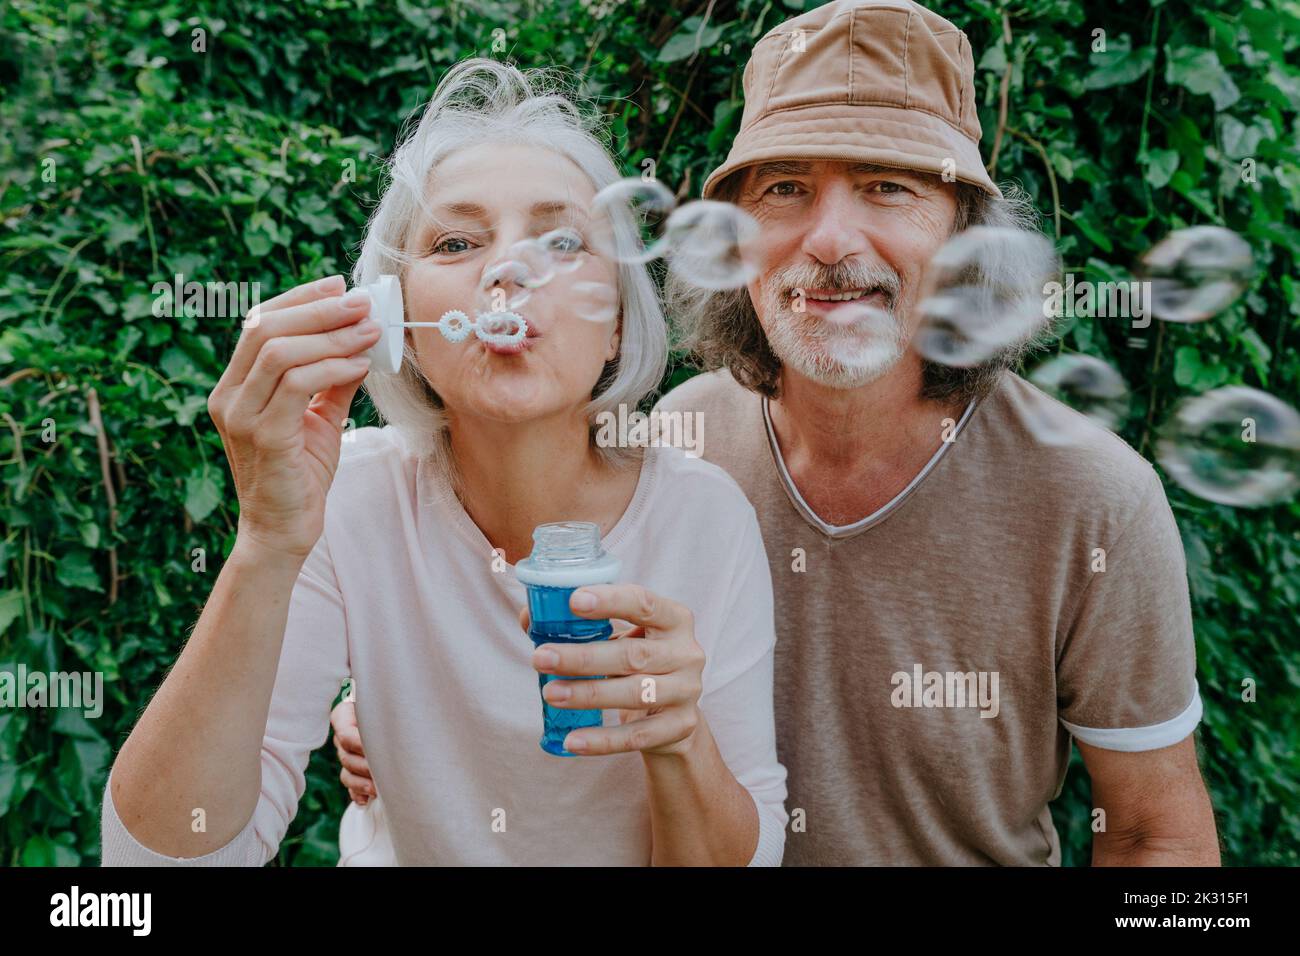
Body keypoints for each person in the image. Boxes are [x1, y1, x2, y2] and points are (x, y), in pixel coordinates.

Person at [335, 0, 1220, 867]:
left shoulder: (1093, 497)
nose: (830, 239)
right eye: (786, 189)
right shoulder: (674, 440)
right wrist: (391, 703)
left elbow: (1155, 836)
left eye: (888, 187)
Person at [99, 58, 787, 867]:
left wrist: (678, 740)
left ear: (616, 329)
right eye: (456, 241)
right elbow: (152, 874)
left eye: (561, 240)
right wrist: (266, 543)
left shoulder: (704, 516)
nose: (507, 270)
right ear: (401, 325)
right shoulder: (346, 500)